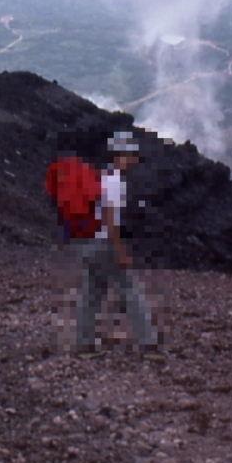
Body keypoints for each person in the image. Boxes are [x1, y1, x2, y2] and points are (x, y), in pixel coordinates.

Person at [45, 130, 163, 359]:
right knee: (130, 290)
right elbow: (110, 218)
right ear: (121, 155)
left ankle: (85, 345)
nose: (135, 161)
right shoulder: (115, 182)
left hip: (86, 243)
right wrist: (121, 252)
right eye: (132, 155)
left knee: (92, 293)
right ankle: (149, 345)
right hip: (104, 244)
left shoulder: (100, 177)